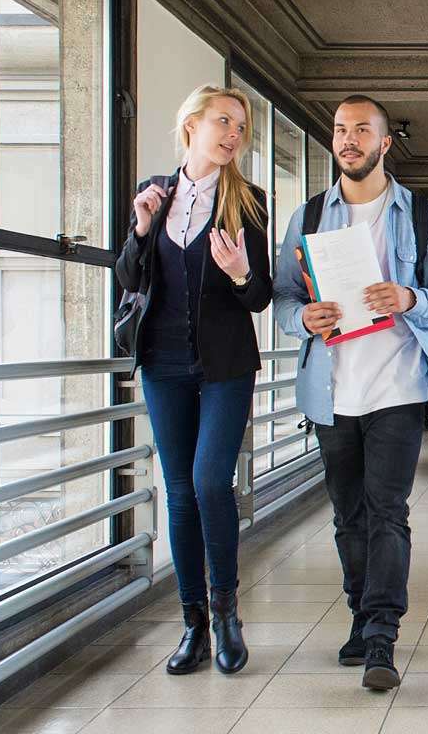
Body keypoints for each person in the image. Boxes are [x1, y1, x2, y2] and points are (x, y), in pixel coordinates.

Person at [272, 94, 428, 690]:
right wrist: (303, 320)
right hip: (332, 393)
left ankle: (381, 634)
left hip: (399, 388)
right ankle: (360, 612)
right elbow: (282, 300)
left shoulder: (422, 214)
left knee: (387, 512)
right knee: (347, 516)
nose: (348, 139)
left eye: (362, 130)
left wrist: (408, 300)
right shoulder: (306, 217)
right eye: (339, 130)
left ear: (385, 143)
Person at [115, 85, 271, 675]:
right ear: (192, 123)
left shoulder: (248, 201)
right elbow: (127, 276)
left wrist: (238, 273)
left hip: (226, 366)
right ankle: (193, 627)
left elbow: (258, 298)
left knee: (210, 483)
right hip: (163, 363)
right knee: (178, 491)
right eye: (224, 122)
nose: (234, 135)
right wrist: (141, 226)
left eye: (241, 128)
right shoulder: (152, 193)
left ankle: (227, 611)